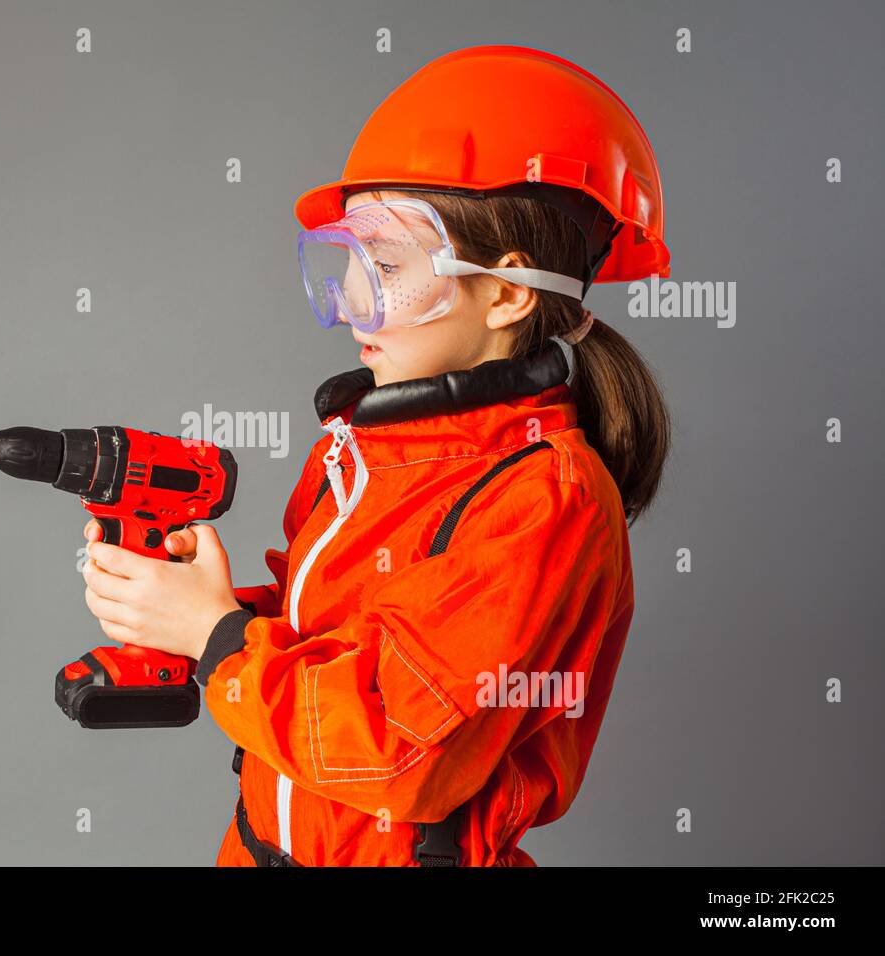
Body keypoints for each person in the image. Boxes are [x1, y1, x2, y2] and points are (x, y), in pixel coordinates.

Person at [80, 45, 671, 866]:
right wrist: (195, 609)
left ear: (506, 291)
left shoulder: (543, 499)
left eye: (387, 266)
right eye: (349, 262)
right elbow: (333, 640)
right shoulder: (362, 450)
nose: (355, 301)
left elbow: (400, 750)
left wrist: (216, 640)